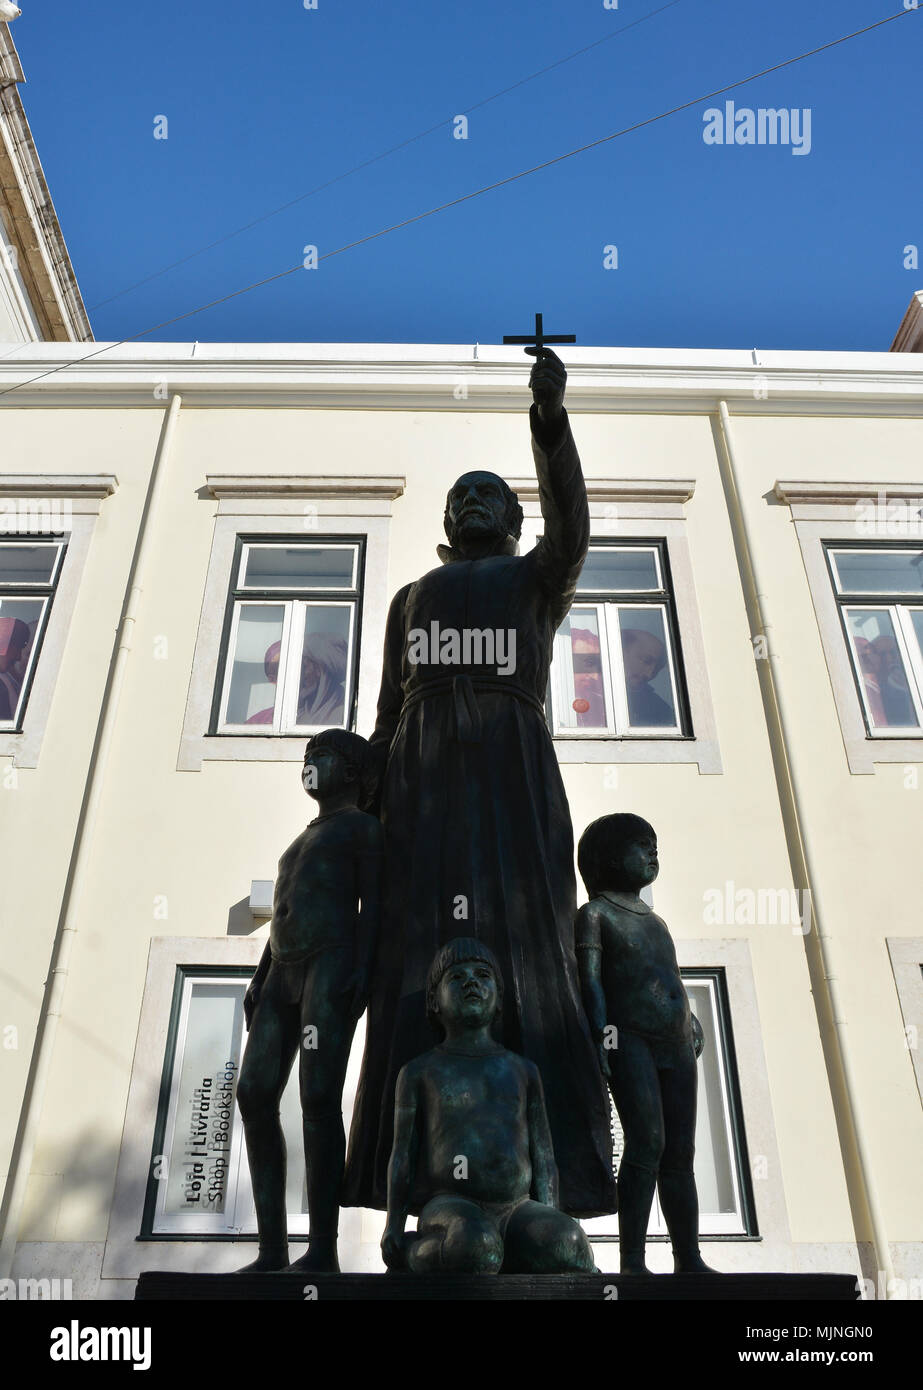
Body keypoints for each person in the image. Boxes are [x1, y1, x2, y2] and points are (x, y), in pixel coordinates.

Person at [343, 348, 616, 1218]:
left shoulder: (535, 579)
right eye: (458, 495)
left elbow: (572, 527)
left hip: (512, 768)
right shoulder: (411, 597)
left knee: (528, 938)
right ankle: (406, 1169)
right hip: (422, 784)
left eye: (486, 494)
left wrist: (548, 419)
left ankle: (552, 1168)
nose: (469, 502)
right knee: (410, 951)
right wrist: (368, 800)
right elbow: (388, 712)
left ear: (508, 520)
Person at [235, 729, 383, 1272]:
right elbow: (281, 915)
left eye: (319, 755)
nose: (309, 764)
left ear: (350, 771)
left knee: (318, 1098)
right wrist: (261, 973)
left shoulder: (364, 829)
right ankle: (272, 1250)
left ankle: (322, 1249)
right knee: (253, 1093)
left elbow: (374, 908)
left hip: (331, 962)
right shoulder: (299, 840)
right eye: (307, 757)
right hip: (283, 970)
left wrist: (362, 972)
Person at [381, 938, 597, 1275]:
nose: (471, 982)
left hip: (517, 1208)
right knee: (474, 1248)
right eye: (456, 977)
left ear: (498, 999)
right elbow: (403, 1154)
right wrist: (394, 1224)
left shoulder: (523, 1070)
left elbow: (543, 1155)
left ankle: (510, 1249)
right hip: (451, 1205)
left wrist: (551, 1218)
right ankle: (414, 1253)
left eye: (483, 975)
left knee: (568, 1244)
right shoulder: (421, 1071)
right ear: (434, 1001)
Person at [575, 813, 715, 1275]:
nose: (652, 853)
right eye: (641, 845)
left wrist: (690, 1019)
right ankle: (632, 1260)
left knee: (681, 1151)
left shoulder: (657, 922)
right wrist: (600, 1035)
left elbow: (667, 976)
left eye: (653, 844)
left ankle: (688, 1256)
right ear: (610, 858)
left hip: (675, 1040)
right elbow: (592, 983)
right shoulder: (595, 915)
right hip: (628, 1037)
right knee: (647, 1141)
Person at [620, 628, 675, 727]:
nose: (650, 674)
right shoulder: (587, 689)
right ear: (620, 652)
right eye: (646, 661)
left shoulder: (660, 710)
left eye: (657, 669)